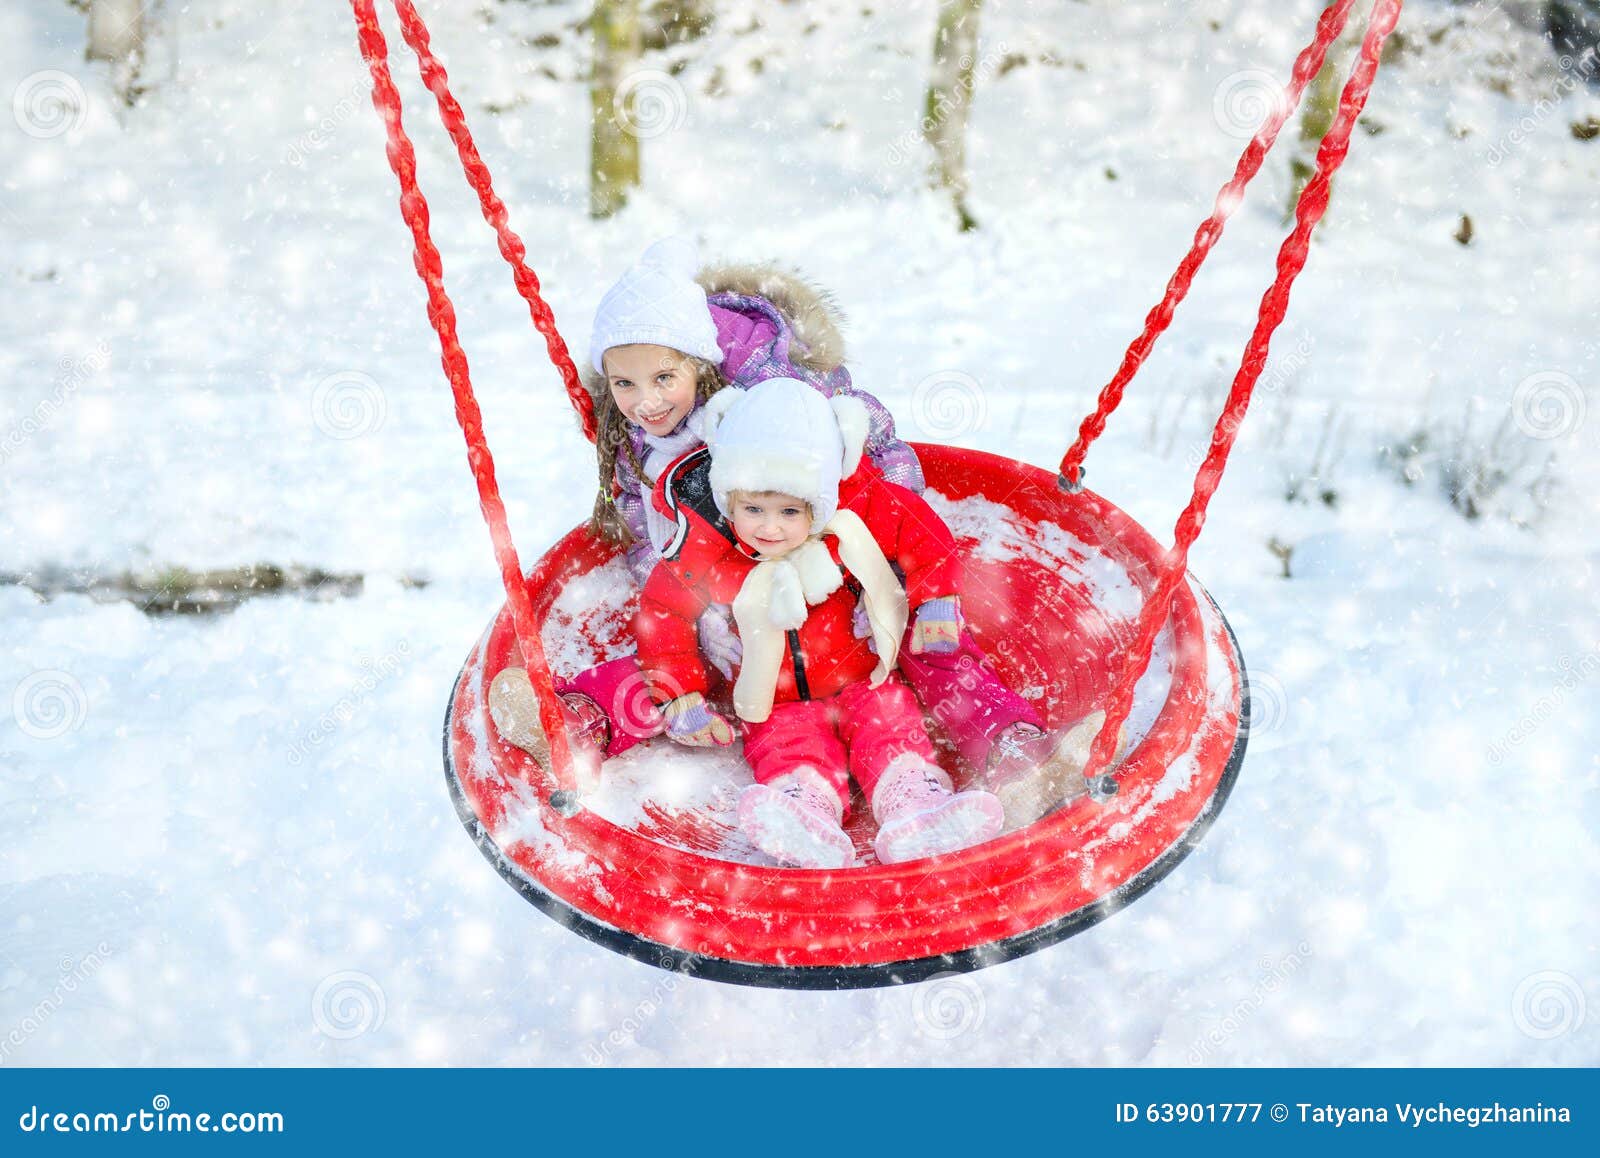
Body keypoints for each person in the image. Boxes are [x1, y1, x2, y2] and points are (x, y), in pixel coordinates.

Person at [490, 237, 1109, 824]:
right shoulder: (637, 443)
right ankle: (574, 725)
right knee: (671, 661)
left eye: (662, 379)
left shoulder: (776, 397)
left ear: (700, 365)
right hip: (733, 593)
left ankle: (1020, 758)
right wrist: (705, 614)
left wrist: (889, 582)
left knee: (933, 650)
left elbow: (877, 474)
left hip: (836, 576)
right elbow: (649, 539)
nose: (645, 402)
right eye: (623, 384)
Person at [633, 376, 1005, 866]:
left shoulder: (853, 521)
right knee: (789, 750)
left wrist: (933, 602)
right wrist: (680, 693)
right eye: (753, 509)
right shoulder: (709, 550)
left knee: (892, 729)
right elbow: (663, 612)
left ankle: (914, 806)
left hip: (864, 676)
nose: (770, 527)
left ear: (819, 504)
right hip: (779, 696)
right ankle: (804, 811)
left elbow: (923, 535)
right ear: (729, 500)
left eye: (789, 510)